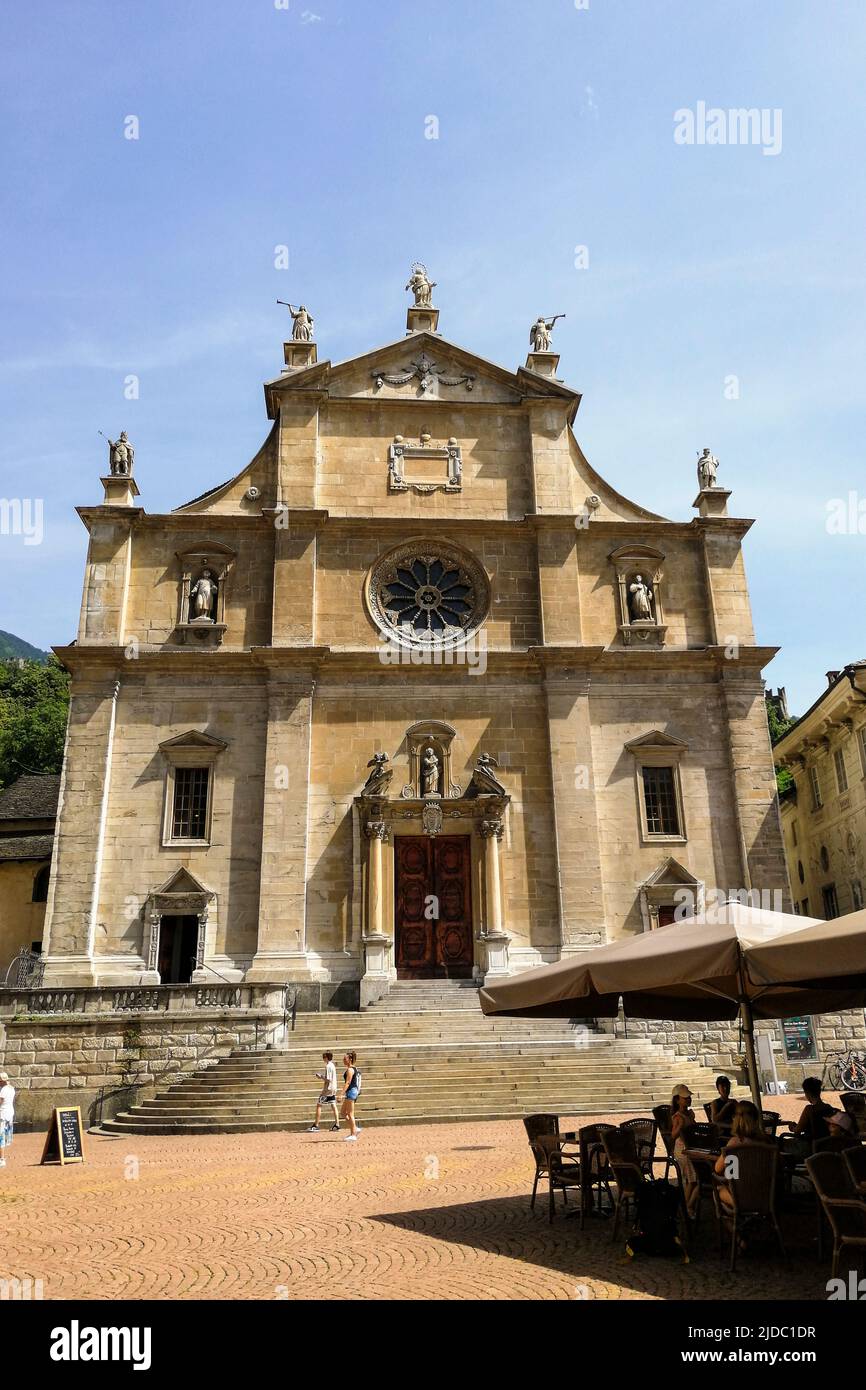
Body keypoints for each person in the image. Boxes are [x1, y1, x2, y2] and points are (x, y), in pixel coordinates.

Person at [713, 1102, 776, 1211]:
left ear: (735, 1119)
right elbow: (779, 1164)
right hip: (766, 1196)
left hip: (741, 1198)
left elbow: (718, 1169)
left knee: (717, 1191)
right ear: (756, 1119)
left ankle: (736, 1219)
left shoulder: (734, 1145)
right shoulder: (766, 1142)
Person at [670, 1084, 699, 1216]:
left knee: (693, 1180)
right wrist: (681, 1125)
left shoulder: (688, 1114)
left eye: (688, 1097)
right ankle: (687, 1207)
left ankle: (687, 1206)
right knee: (693, 1180)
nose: (688, 1100)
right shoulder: (678, 1117)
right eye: (685, 1098)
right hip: (683, 1151)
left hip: (691, 1149)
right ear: (677, 1100)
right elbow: (673, 1135)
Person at [784, 1077, 835, 1144]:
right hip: (826, 1143)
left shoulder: (809, 1109)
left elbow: (797, 1131)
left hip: (811, 1145)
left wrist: (792, 1128)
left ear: (808, 1093)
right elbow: (819, 1128)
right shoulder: (828, 1107)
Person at [306, 1051, 340, 1133]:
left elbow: (328, 1079)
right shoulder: (332, 1065)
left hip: (328, 1088)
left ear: (327, 1058)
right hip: (333, 1088)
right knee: (333, 1105)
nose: (323, 1059)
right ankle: (337, 1124)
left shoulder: (328, 1066)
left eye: (324, 1057)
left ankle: (316, 1125)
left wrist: (320, 1076)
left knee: (319, 1104)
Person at [340, 1051, 362, 1141]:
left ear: (350, 1059)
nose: (343, 1060)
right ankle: (355, 1128)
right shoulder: (354, 1068)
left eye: (345, 1059)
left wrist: (341, 1094)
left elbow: (348, 1082)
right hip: (352, 1091)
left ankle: (353, 1134)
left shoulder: (350, 1070)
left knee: (350, 1113)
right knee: (343, 1112)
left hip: (351, 1091)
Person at [0, 1071, 15, 1167]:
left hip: (2, 1114)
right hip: (9, 1113)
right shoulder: (11, 1088)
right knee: (4, 1136)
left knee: (1, 1137)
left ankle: (2, 1159)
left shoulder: (3, 1090)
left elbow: (0, 1102)